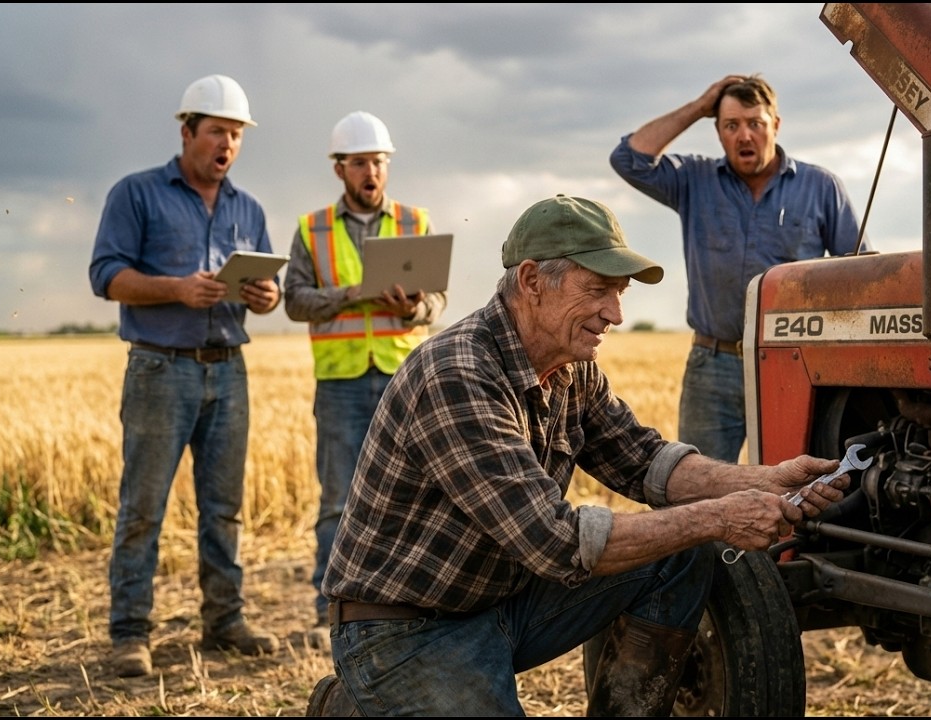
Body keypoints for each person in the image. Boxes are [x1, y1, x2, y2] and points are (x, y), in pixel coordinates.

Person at [303, 194, 850, 716]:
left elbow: (645, 461)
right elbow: (555, 542)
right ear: (532, 281)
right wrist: (719, 517)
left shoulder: (571, 366)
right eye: (597, 291)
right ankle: (355, 703)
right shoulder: (457, 375)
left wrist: (764, 479)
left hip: (502, 601)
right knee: (694, 532)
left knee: (683, 553)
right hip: (405, 628)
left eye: (620, 293)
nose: (613, 313)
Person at [88, 73, 282, 678]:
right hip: (158, 368)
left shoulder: (247, 207)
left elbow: (269, 295)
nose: (226, 144)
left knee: (224, 509)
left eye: (236, 135)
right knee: (142, 507)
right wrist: (175, 289)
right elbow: (105, 274)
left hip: (229, 370)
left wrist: (264, 294)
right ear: (187, 131)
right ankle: (130, 634)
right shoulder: (137, 194)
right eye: (216, 132)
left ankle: (224, 621)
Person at [610, 73, 868, 463]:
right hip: (713, 367)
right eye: (731, 125)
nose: (744, 136)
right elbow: (628, 159)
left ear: (775, 125)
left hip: (794, 367)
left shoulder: (821, 187)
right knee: (699, 490)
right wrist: (700, 105)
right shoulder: (694, 181)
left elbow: (860, 273)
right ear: (718, 132)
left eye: (755, 124)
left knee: (795, 491)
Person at [283, 110, 447, 652]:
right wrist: (351, 294)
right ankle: (328, 608)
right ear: (340, 170)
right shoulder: (312, 230)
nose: (371, 171)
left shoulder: (414, 221)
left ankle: (407, 603)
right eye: (359, 163)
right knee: (338, 498)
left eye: (378, 161)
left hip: (404, 380)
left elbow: (438, 302)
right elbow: (296, 301)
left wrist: (417, 307)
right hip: (341, 381)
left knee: (415, 495)